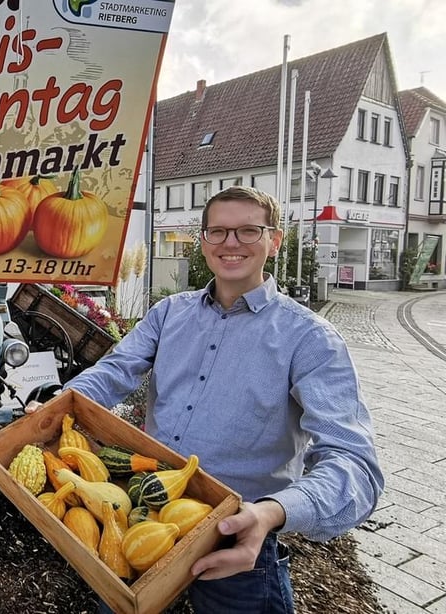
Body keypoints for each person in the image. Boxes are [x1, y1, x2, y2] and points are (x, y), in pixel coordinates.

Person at [63, 186, 384, 613]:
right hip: (145, 515)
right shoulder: (168, 313)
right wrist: (58, 405)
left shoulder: (309, 339)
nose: (230, 243)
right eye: (217, 231)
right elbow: (114, 372)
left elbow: (354, 465)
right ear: (203, 241)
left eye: (248, 231)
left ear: (274, 240)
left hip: (239, 540)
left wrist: (270, 514)